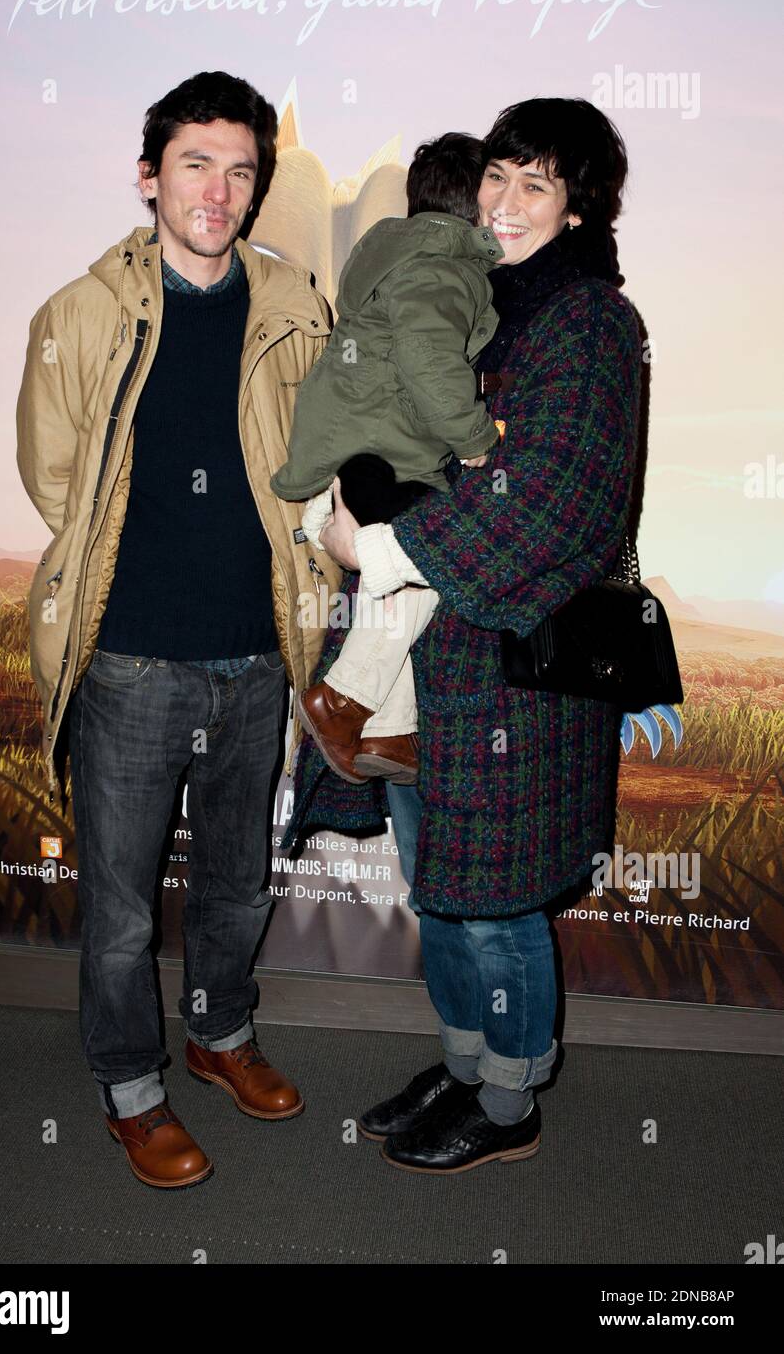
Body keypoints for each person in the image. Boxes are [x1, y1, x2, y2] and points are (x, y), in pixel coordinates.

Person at [283, 97, 642, 1174]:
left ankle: (510, 1096)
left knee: (494, 905)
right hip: (419, 670)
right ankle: (464, 1057)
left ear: (578, 210)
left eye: (537, 183)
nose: (505, 201)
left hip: (507, 678)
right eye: (496, 175)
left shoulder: (585, 325)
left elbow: (548, 500)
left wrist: (377, 551)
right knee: (438, 885)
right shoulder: (467, 302)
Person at [16, 70, 343, 1189]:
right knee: (118, 905)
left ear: (257, 187)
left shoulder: (297, 304)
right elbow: (55, 479)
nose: (219, 187)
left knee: (235, 883)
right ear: (147, 174)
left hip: (257, 656)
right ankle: (130, 1085)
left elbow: (316, 464)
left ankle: (218, 1034)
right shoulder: (78, 313)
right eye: (195, 162)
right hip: (133, 662)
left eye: (241, 168)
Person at [270, 134, 503, 787]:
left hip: (353, 451)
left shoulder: (393, 255)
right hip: (390, 456)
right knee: (439, 565)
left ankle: (390, 732)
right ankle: (342, 699)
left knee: (397, 587)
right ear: (477, 208)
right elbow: (432, 370)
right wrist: (478, 440)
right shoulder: (443, 270)